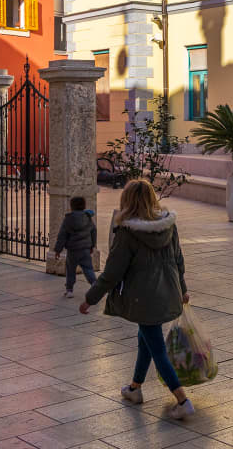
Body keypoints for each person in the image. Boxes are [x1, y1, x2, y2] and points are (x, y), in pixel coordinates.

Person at [79, 180, 193, 420]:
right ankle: (134, 388)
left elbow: (112, 272)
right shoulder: (168, 225)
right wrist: (182, 288)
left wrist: (90, 298)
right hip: (168, 291)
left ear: (127, 201)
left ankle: (182, 399)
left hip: (144, 298)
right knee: (146, 340)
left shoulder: (127, 232)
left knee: (157, 348)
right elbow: (178, 259)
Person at [53, 195, 97, 298]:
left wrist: (58, 250)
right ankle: (94, 284)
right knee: (88, 268)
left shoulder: (69, 219)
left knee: (70, 269)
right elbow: (93, 231)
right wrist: (92, 245)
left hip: (73, 250)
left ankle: (69, 290)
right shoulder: (88, 217)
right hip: (85, 249)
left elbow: (62, 235)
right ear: (84, 206)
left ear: (71, 206)